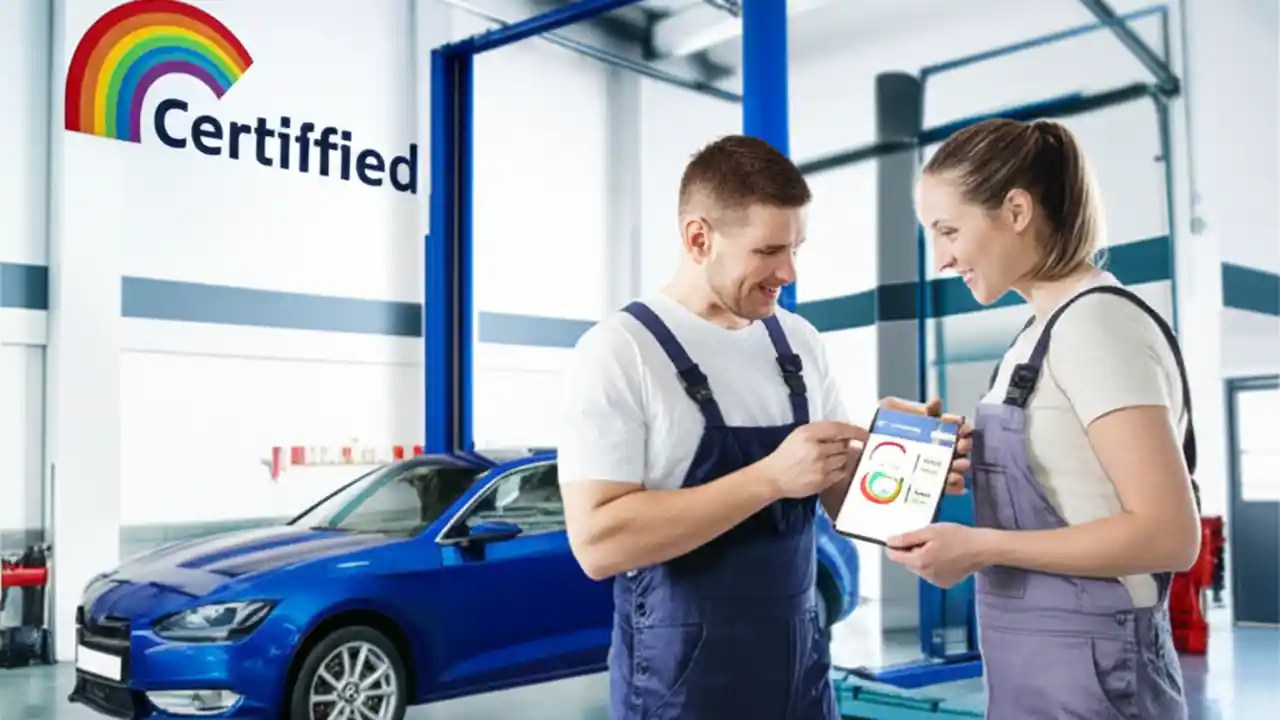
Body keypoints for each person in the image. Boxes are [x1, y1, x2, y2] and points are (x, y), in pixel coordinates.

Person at [556, 135, 970, 720]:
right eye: (769, 250)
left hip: (798, 679)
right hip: (680, 692)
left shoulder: (796, 343)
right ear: (699, 239)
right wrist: (770, 479)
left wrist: (902, 461)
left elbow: (853, 508)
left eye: (797, 247)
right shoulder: (619, 351)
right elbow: (599, 544)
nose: (789, 271)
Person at [889, 117, 1201, 719]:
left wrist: (979, 546)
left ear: (1015, 210)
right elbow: (1074, 475)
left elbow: (1169, 534)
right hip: (1036, 664)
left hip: (1092, 671)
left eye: (949, 230)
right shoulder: (1038, 333)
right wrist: (933, 445)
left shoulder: (1095, 324)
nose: (943, 259)